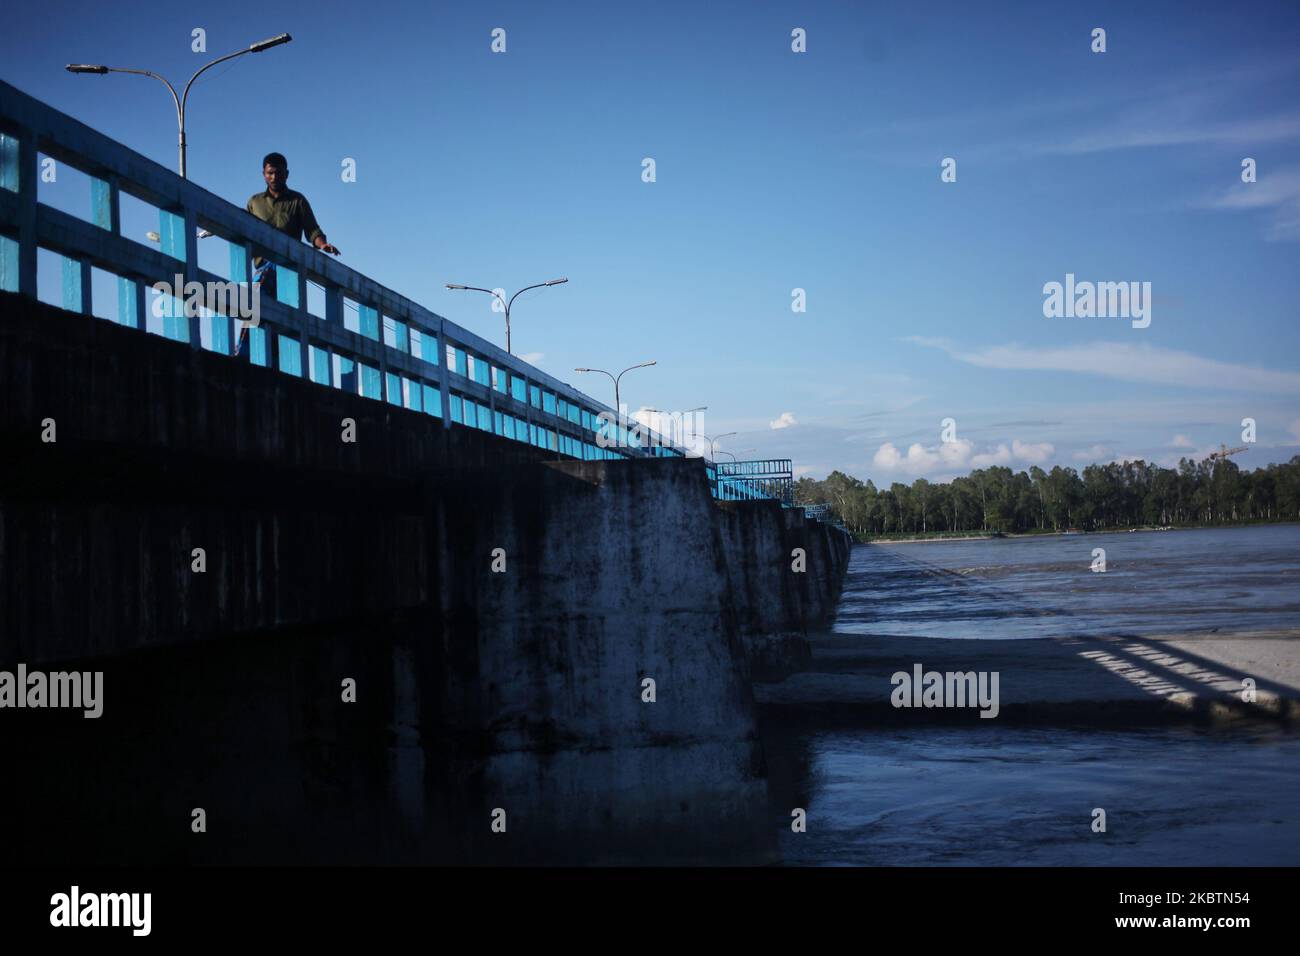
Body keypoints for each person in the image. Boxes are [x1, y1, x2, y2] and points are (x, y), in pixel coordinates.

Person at [236, 152, 341, 357]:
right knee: (257, 306)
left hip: (289, 270)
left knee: (283, 318)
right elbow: (244, 229)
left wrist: (323, 244)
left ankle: (278, 362)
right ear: (264, 174)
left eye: (279, 173)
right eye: (270, 173)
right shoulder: (254, 202)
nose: (274, 177)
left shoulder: (297, 201)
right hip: (263, 266)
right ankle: (244, 354)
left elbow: (312, 230)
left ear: (287, 174)